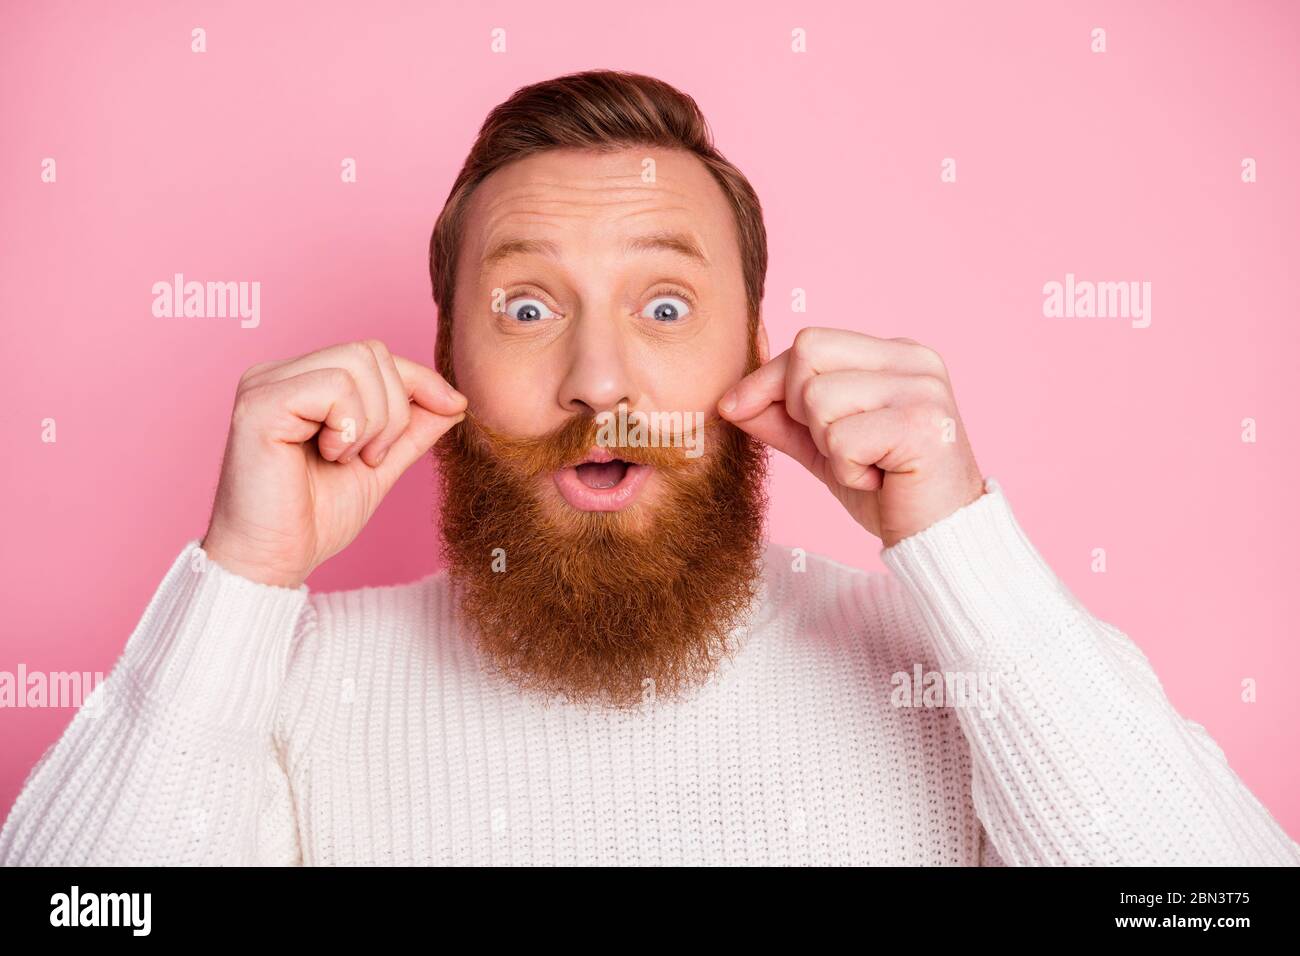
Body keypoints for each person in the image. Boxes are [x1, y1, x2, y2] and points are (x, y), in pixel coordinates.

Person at [2, 70, 1296, 866]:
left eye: (667, 309)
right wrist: (241, 580)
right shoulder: (286, 683)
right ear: (440, 357)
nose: (600, 382)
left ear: (760, 351)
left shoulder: (942, 662)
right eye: (524, 310)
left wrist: (959, 541)